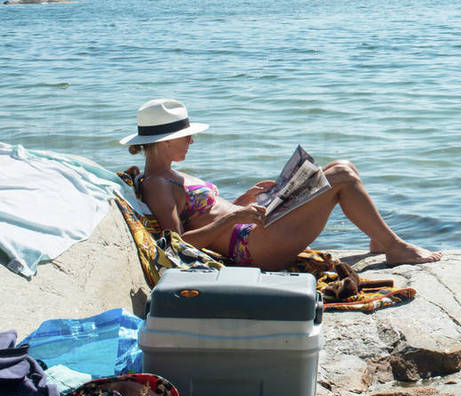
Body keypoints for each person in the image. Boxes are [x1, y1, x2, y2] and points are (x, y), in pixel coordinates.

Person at [120, 98, 441, 270]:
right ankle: (395, 248)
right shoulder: (159, 185)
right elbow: (176, 247)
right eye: (186, 136)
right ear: (165, 141)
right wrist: (234, 217)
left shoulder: (171, 176)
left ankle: (379, 238)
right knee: (341, 178)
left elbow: (206, 214)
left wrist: (242, 201)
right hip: (250, 248)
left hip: (253, 230)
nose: (192, 141)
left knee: (343, 166)